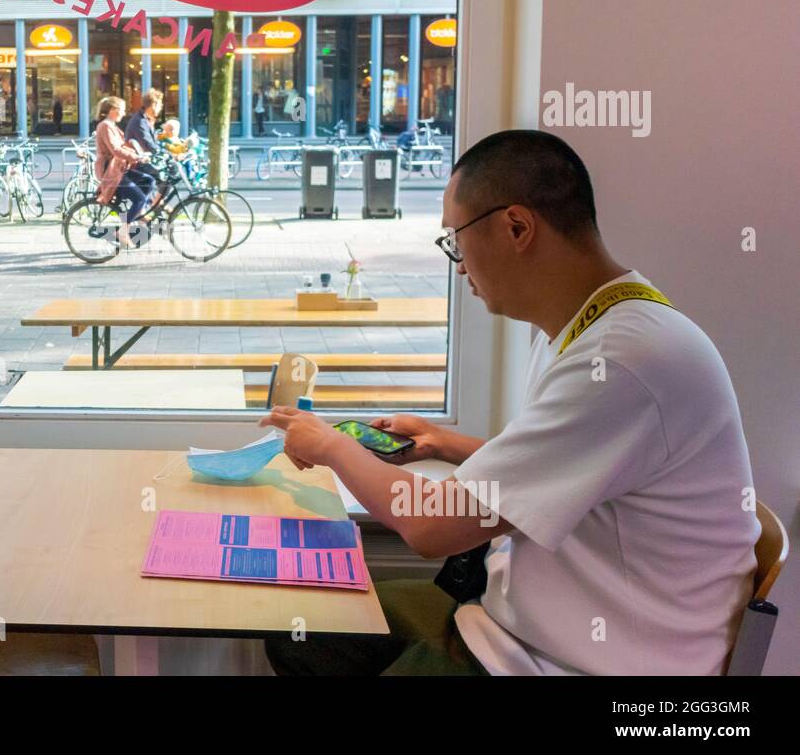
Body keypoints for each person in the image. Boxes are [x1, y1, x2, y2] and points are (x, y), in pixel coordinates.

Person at [263, 130, 758, 676]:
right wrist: (445, 443)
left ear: (516, 227)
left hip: (575, 661)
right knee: (301, 633)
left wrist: (330, 445)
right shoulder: (585, 326)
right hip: (518, 620)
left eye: (456, 239)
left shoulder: (623, 361)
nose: (458, 264)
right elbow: (569, 467)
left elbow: (433, 527)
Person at [93, 96, 154, 247]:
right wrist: (136, 157)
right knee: (139, 198)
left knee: (148, 180)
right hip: (111, 172)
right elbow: (115, 149)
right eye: (122, 109)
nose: (124, 112)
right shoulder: (105, 126)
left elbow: (123, 146)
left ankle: (138, 212)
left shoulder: (111, 125)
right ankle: (123, 231)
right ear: (113, 110)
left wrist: (140, 154)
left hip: (118, 168)